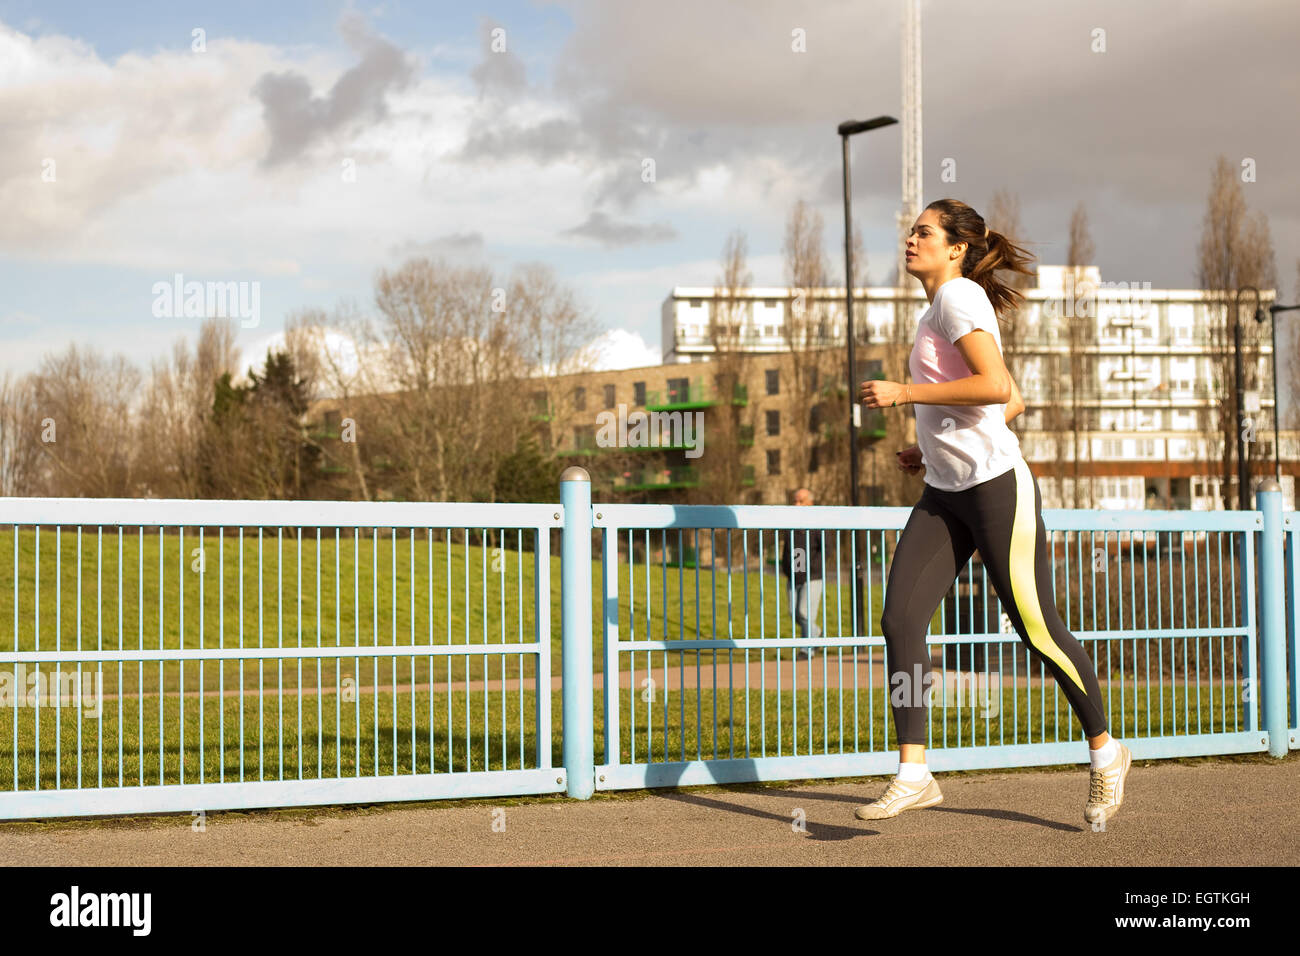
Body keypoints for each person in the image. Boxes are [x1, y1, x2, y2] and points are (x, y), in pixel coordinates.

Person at [853, 198, 1131, 826]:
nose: (909, 239)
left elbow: (999, 387)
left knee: (1037, 629)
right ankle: (914, 773)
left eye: (923, 232)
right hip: (945, 493)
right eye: (911, 231)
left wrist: (906, 394)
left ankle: (1106, 753)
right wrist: (928, 445)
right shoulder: (937, 308)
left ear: (955, 247)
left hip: (997, 489)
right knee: (900, 621)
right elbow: (1011, 400)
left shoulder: (958, 299)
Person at [777, 488, 823, 661]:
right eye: (795, 500)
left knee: (804, 613)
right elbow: (786, 550)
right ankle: (816, 633)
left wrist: (811, 568)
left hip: (812, 577)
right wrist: (786, 569)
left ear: (810, 503)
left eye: (801, 501)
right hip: (793, 576)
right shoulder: (791, 524)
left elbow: (825, 550)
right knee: (793, 613)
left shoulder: (818, 524)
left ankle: (807, 649)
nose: (797, 504)